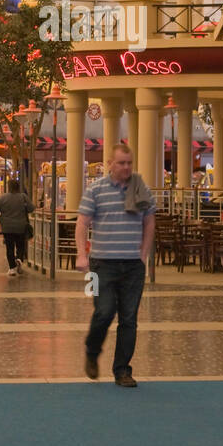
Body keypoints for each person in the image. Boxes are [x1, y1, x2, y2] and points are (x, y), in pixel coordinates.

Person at [75, 145, 155, 387]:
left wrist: (143, 255)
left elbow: (150, 222)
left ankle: (122, 370)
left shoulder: (141, 189)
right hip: (101, 265)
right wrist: (82, 255)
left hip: (132, 266)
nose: (127, 167)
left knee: (129, 318)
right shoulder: (96, 190)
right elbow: (81, 224)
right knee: (103, 312)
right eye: (121, 163)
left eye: (129, 162)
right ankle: (92, 350)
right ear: (110, 163)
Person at [0, 180, 33, 277]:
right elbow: (31, 208)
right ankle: (19, 259)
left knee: (9, 247)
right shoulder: (23, 197)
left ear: (9, 187)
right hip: (21, 226)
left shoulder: (3, 198)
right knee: (20, 245)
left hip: (7, 227)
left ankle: (12, 268)